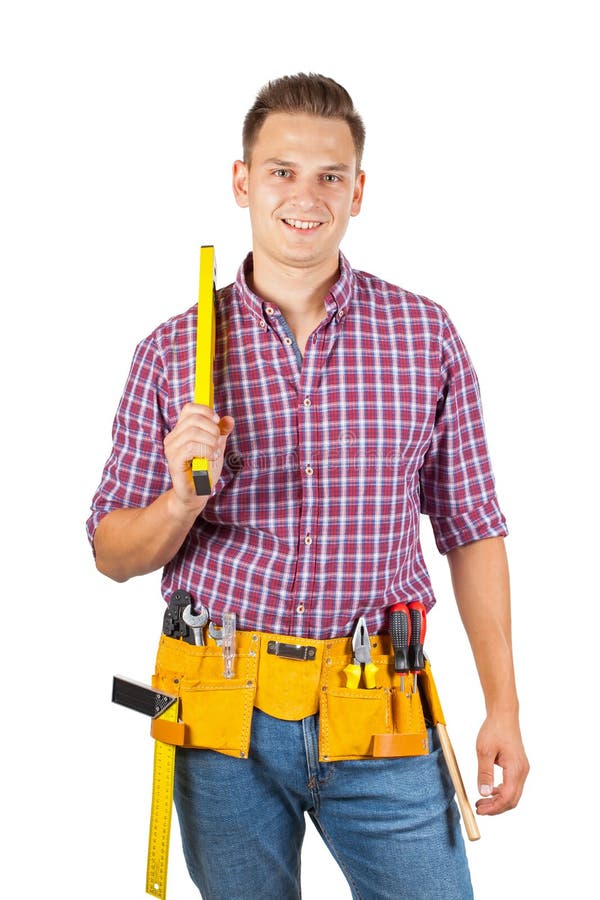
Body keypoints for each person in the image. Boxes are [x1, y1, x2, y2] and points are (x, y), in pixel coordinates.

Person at [87, 73, 529, 899]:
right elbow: (112, 552)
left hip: (380, 708)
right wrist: (183, 499)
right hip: (220, 714)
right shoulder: (172, 353)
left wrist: (503, 706)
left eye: (330, 175)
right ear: (242, 181)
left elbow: (471, 528)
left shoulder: (423, 336)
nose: (306, 195)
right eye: (282, 171)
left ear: (358, 191)